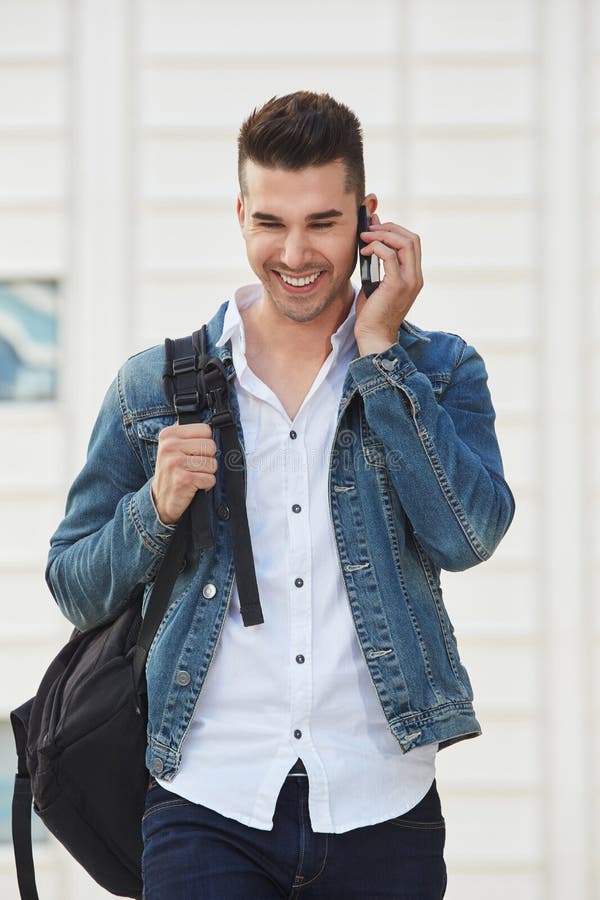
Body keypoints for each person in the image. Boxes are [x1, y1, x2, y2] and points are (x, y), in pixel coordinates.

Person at [46, 91, 514, 899]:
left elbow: (467, 537)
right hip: (207, 800)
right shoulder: (153, 388)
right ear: (240, 215)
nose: (295, 252)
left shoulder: (438, 372)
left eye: (322, 223)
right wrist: (154, 509)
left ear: (367, 219)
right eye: (270, 222)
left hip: (382, 801)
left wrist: (381, 355)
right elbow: (73, 586)